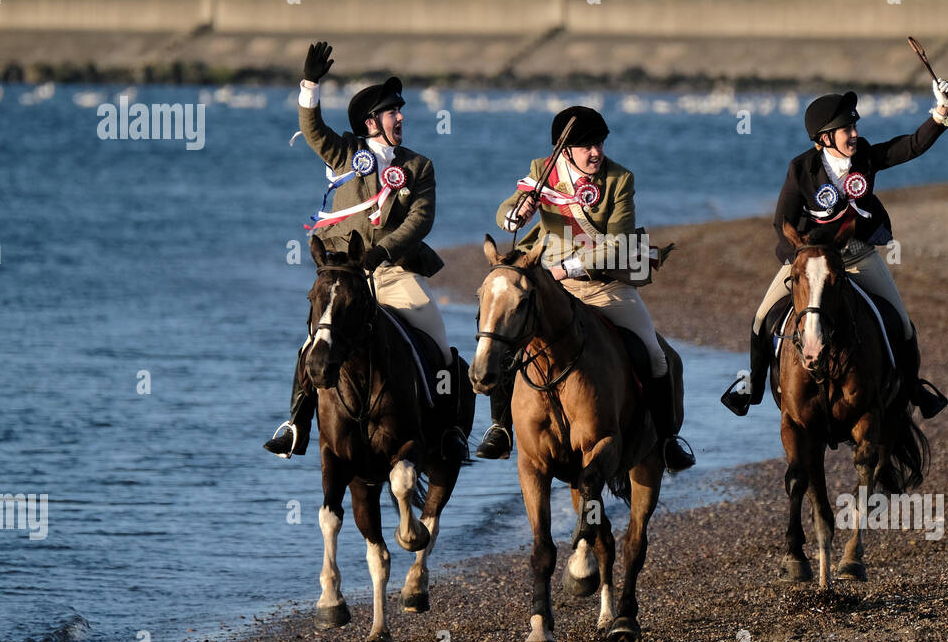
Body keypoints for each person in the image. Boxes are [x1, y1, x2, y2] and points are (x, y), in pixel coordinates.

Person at [263, 41, 465, 460]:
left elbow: (420, 220)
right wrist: (309, 85)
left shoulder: (418, 166)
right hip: (343, 275)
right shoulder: (346, 155)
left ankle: (449, 432)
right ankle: (296, 424)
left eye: (400, 111)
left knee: (440, 344)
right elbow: (313, 129)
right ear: (372, 122)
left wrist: (383, 251)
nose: (401, 117)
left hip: (394, 272)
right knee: (310, 344)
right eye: (394, 112)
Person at [720, 83, 948, 418]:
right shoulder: (800, 169)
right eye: (847, 129)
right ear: (824, 138)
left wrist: (941, 113)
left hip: (858, 257)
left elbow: (910, 147)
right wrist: (804, 257)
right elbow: (782, 221)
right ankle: (753, 386)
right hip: (813, 262)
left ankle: (913, 387)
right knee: (761, 319)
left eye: (854, 126)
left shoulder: (864, 157)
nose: (854, 134)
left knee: (902, 323)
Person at [476, 105, 693, 471]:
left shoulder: (619, 179)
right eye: (587, 146)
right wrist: (519, 213)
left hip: (603, 285)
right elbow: (505, 213)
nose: (596, 153)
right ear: (565, 152)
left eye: (600, 144)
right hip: (549, 290)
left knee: (656, 356)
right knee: (501, 336)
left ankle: (668, 440)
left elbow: (618, 242)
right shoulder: (541, 171)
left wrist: (566, 269)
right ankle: (500, 428)